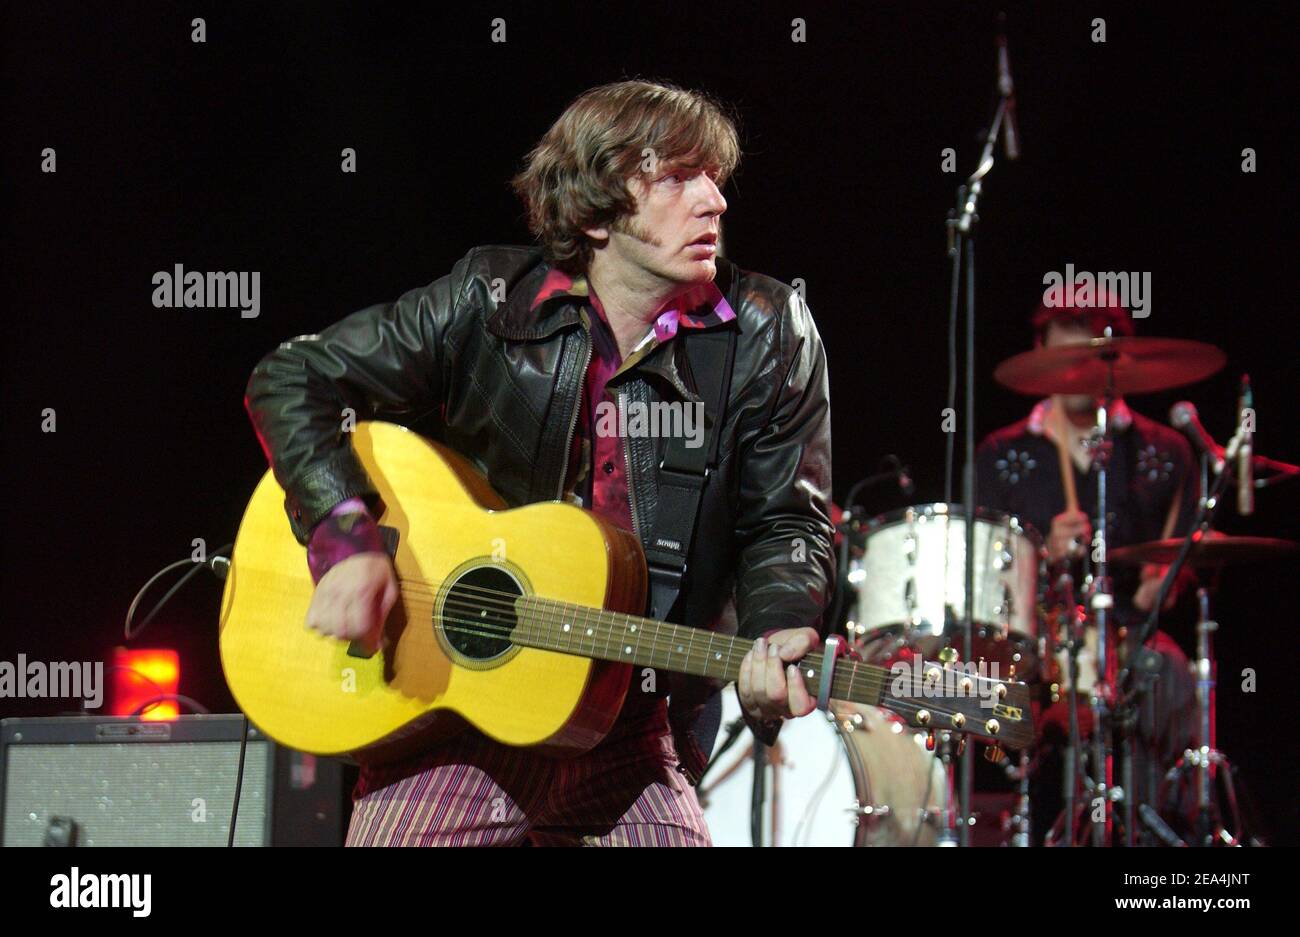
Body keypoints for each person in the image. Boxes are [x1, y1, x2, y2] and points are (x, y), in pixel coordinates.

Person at [244, 80, 835, 846]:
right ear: (593, 209)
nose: (714, 200)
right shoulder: (489, 298)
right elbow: (292, 378)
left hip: (628, 727)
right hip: (455, 720)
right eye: (677, 177)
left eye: (715, 177)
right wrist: (346, 540)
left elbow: (787, 516)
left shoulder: (765, 330)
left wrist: (783, 622)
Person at [975, 291, 1197, 843]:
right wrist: (1043, 552)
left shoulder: (1164, 451)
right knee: (972, 687)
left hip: (1127, 638)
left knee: (1162, 671)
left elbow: (1187, 558)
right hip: (1033, 644)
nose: (1076, 376)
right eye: (1064, 360)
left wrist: (1163, 584)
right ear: (1039, 357)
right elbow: (983, 578)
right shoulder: (1000, 454)